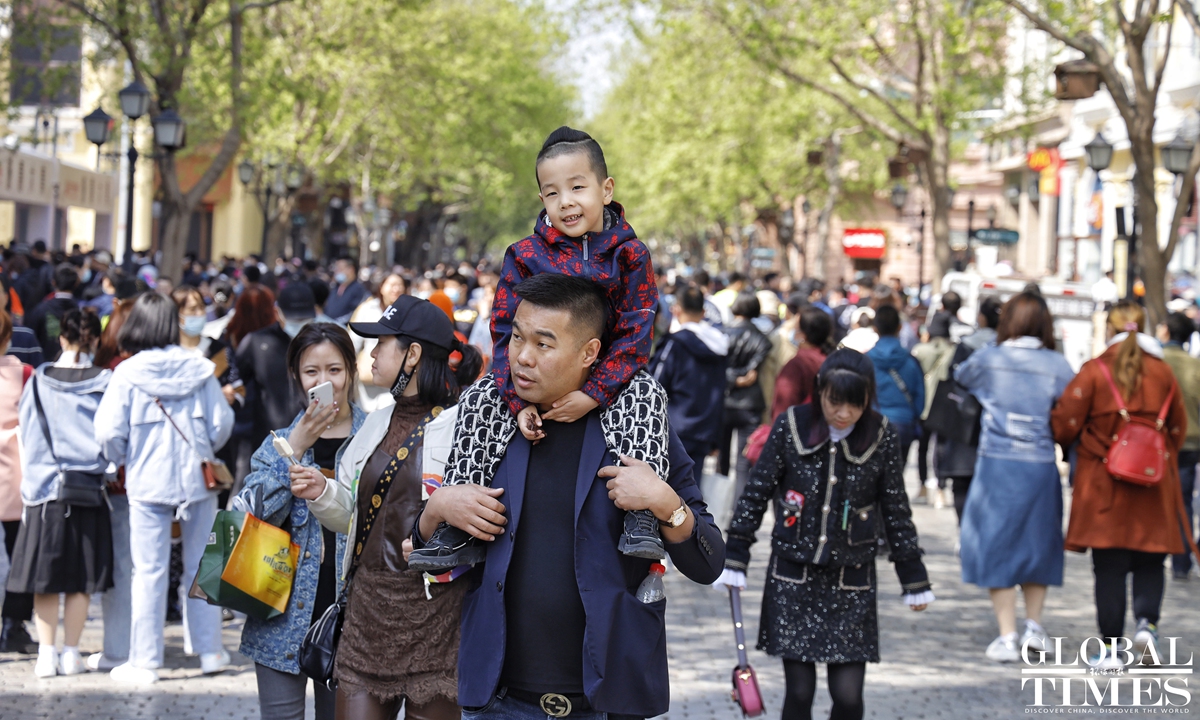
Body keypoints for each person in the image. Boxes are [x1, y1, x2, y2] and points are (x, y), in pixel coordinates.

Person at [411, 274, 724, 718]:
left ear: (589, 353)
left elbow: (709, 562)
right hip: (497, 698)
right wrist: (436, 509)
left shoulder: (636, 427)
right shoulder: (491, 420)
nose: (522, 357)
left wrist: (664, 502)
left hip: (607, 699)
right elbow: (421, 547)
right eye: (517, 337)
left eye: (543, 344)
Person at [409, 126, 666, 572]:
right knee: (479, 398)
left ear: (606, 190)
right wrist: (515, 399)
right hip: (536, 376)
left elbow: (637, 331)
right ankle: (459, 522)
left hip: (607, 378)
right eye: (551, 192)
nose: (565, 201)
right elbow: (506, 329)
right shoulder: (525, 254)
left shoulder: (631, 255)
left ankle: (641, 515)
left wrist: (595, 392)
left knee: (647, 395)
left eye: (577, 187)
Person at [719, 349, 932, 720]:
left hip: (851, 582)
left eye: (855, 403)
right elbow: (756, 492)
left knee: (848, 697)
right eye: (836, 402)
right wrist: (736, 553)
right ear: (820, 393)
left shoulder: (882, 435)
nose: (845, 413)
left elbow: (896, 511)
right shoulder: (791, 426)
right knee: (799, 693)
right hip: (793, 578)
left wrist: (913, 577)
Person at [298, 295, 482, 719]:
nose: (373, 353)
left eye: (382, 343)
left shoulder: (463, 427)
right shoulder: (376, 421)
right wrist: (321, 494)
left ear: (413, 354)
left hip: (437, 621)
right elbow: (352, 519)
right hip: (367, 619)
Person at [93, 292, 235, 684]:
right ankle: (210, 651)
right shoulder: (199, 369)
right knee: (203, 566)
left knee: (148, 570)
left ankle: (146, 659)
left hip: (146, 481)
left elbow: (107, 431)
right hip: (197, 480)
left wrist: (120, 458)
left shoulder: (127, 373)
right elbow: (221, 425)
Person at [236, 323, 366, 720]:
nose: (324, 382)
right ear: (297, 376)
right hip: (280, 609)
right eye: (312, 372)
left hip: (353, 616)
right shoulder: (280, 440)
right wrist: (296, 447)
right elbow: (248, 513)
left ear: (350, 373)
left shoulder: (373, 437)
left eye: (334, 370)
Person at [1051, 301, 1188, 667]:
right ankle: (1147, 626)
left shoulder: (1096, 371)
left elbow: (1065, 420)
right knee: (1150, 561)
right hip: (1153, 483)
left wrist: (1070, 448)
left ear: (1109, 330)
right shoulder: (1163, 373)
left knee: (1108, 566)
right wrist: (1155, 457)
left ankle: (1111, 648)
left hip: (1103, 482)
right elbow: (1178, 427)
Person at [954, 292, 1075, 663]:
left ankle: (1007, 635)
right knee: (1039, 544)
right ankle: (1035, 628)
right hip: (1040, 463)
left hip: (997, 463)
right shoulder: (1057, 364)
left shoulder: (991, 358)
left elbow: (961, 377)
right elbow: (1070, 401)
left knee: (997, 544)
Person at [7, 309, 113, 677]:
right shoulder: (106, 380)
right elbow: (111, 435)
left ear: (61, 338)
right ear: (93, 339)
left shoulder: (38, 379)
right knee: (82, 578)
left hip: (45, 491)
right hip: (88, 488)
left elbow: (30, 435)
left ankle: (45, 654)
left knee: (45, 576)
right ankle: (71, 653)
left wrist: (32, 485)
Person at [649, 285, 729, 480]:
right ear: (703, 312)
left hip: (672, 430)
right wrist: (716, 439)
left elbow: (655, 386)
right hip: (704, 430)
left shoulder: (673, 344)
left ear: (676, 309)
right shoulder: (719, 347)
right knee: (692, 492)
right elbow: (721, 394)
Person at [935, 296, 1001, 523]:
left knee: (962, 482)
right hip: (997, 427)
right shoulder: (1004, 348)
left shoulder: (967, 345)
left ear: (981, 317)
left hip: (964, 424)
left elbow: (956, 380)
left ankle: (965, 530)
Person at [237, 283, 314, 454]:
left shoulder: (323, 343)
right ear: (278, 313)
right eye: (294, 320)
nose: (299, 325)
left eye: (304, 320)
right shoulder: (257, 342)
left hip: (315, 441)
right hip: (267, 442)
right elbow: (236, 384)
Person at [0, 308, 37, 654]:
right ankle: (13, 622)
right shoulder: (24, 373)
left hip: (11, 470)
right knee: (17, 550)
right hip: (16, 471)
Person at [720, 292, 772, 506]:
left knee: (721, 459)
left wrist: (730, 378)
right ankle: (738, 506)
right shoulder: (763, 339)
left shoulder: (721, 334)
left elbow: (718, 369)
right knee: (744, 460)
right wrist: (741, 379)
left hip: (723, 401)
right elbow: (752, 374)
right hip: (750, 404)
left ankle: (717, 504)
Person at [1161, 312, 1200, 579]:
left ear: (1166, 332)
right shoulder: (1194, 366)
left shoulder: (1156, 363)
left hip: (1156, 443)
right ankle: (1181, 561)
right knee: (1183, 500)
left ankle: (1150, 552)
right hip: (1189, 442)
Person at [912, 298, 962, 505]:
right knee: (941, 448)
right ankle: (941, 487)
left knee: (922, 448)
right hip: (944, 407)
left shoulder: (920, 351)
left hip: (924, 405)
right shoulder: (954, 351)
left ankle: (923, 486)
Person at [867, 305, 925, 460]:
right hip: (902, 424)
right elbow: (920, 397)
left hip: (871, 424)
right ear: (899, 328)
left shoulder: (866, 361)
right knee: (896, 478)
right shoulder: (911, 361)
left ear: (875, 328)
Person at [349, 272, 407, 412]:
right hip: (368, 378)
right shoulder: (366, 308)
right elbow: (353, 342)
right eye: (392, 285)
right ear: (381, 287)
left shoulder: (408, 312)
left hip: (395, 382)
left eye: (400, 285)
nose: (396, 289)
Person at [770, 307, 834, 421]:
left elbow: (784, 404)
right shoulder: (830, 359)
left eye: (795, 328)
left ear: (802, 335)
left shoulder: (797, 365)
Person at [27, 263, 81, 363]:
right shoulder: (81, 311)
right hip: (75, 366)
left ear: (53, 282)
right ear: (76, 283)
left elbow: (32, 338)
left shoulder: (40, 309)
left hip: (44, 366)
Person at [324, 257, 368, 324]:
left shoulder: (358, 289)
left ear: (351, 269)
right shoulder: (335, 287)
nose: (336, 271)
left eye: (340, 269)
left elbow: (353, 313)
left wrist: (335, 324)